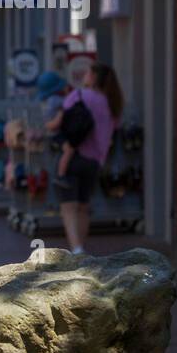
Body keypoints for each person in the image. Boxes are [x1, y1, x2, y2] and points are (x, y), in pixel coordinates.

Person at [46, 62, 123, 254]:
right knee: (83, 206)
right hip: (95, 161)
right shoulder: (112, 103)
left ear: (94, 77)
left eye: (88, 73)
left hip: (74, 155)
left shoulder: (78, 95)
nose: (85, 76)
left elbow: (58, 123)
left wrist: (47, 125)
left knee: (68, 207)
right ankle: (81, 247)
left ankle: (76, 249)